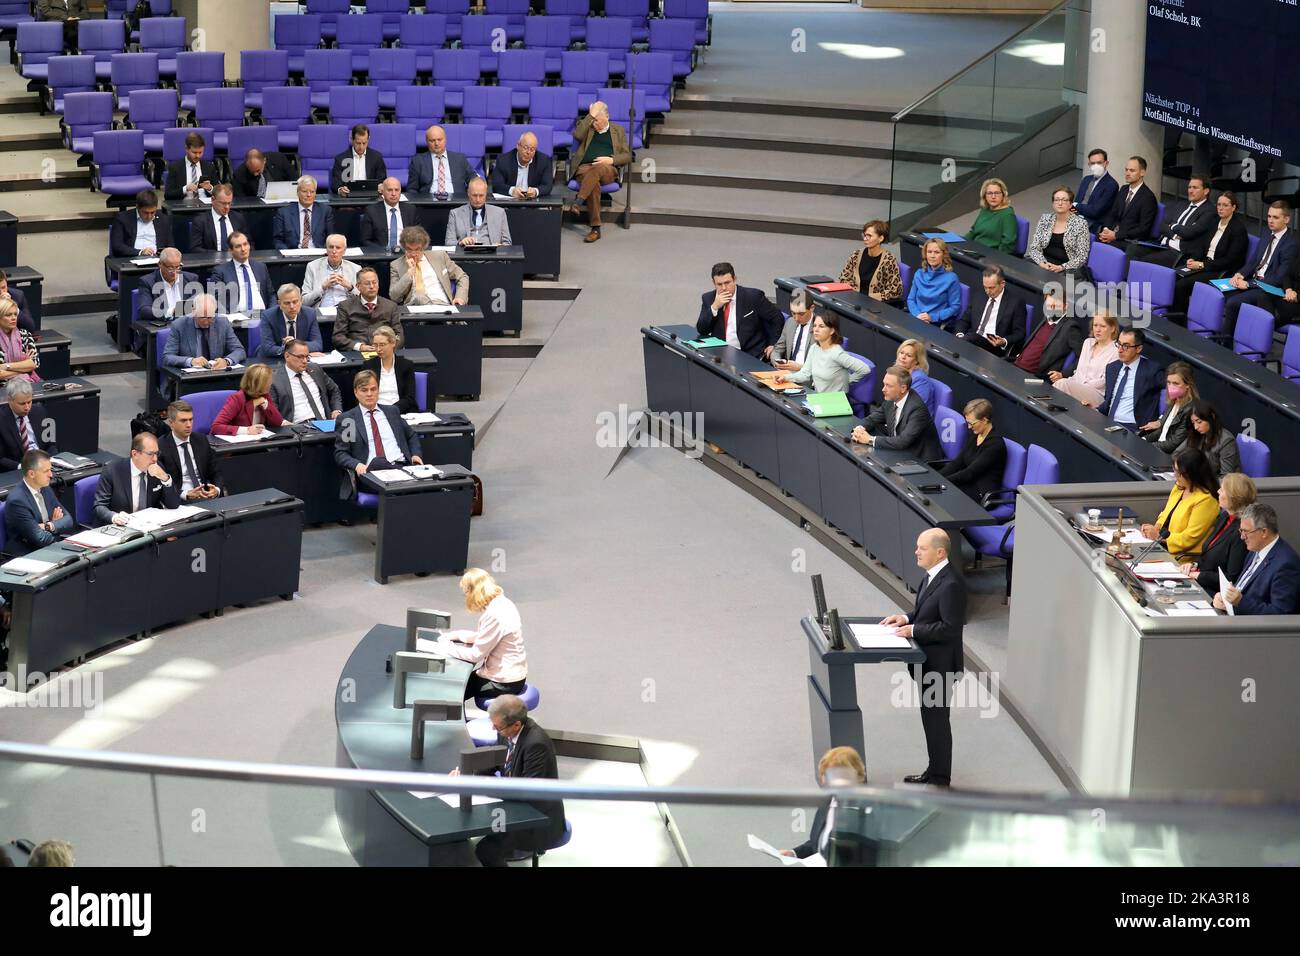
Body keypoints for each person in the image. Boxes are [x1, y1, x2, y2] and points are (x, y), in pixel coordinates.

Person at [881, 529, 966, 787]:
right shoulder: (932, 576)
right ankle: (934, 770)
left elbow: (950, 628)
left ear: (939, 552)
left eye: (922, 548)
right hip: (928, 663)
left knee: (937, 722)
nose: (916, 552)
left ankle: (940, 778)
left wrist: (914, 630)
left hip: (940, 666)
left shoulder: (951, 584)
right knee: (931, 720)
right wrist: (905, 618)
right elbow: (926, 611)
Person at [453, 694, 565, 867]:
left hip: (536, 818)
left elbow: (526, 791)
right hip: (513, 807)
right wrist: (467, 775)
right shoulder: (506, 731)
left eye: (497, 726)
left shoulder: (536, 744)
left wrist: (482, 787)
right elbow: (494, 763)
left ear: (517, 724)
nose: (493, 729)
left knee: (486, 851)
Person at [433, 569, 527, 702]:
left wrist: (446, 648)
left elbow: (475, 655)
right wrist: (457, 635)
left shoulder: (494, 615)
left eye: (466, 593)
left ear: (472, 592)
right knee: (456, 684)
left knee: (449, 691)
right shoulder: (504, 603)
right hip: (513, 676)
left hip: (503, 683)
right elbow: (489, 637)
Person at [333, 369, 423, 498]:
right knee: (378, 463)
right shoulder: (349, 420)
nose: (369, 394)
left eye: (373, 389)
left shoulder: (391, 411)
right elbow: (342, 453)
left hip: (401, 467)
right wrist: (357, 465)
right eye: (364, 390)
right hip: (372, 473)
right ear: (356, 392)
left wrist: (416, 454)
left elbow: (411, 435)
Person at [1221, 201, 1298, 333]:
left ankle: (1225, 342)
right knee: (1224, 293)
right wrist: (1240, 274)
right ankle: (1234, 336)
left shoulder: (1291, 245)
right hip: (1253, 280)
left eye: (1275, 217)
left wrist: (1248, 284)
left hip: (1267, 288)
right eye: (1269, 216)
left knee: (1233, 303)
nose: (1270, 221)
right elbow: (1254, 261)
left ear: (1286, 219)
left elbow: (1279, 278)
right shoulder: (1266, 232)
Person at [781, 746, 869, 861]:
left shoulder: (868, 810)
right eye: (826, 775)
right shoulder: (826, 805)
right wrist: (793, 853)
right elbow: (817, 844)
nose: (827, 780)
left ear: (856, 776)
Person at [1212, 503, 1300, 615]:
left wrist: (1240, 602)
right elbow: (1242, 588)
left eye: (1246, 531)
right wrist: (1224, 599)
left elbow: (1279, 613)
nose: (1242, 537)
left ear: (1264, 532)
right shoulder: (1255, 550)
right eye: (1241, 531)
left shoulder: (1286, 564)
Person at [1170, 191, 1248, 316]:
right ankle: (1172, 314)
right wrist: (1193, 258)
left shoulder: (1238, 229)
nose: (1221, 208)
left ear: (1233, 207)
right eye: (1219, 205)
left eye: (1225, 205)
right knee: (1174, 276)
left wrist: (1202, 265)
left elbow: (1230, 260)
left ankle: (1178, 320)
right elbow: (1203, 246)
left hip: (1219, 270)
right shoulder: (1214, 221)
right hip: (1204, 263)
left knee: (1181, 286)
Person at [1180, 472, 1256, 594]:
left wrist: (1198, 575)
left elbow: (1231, 578)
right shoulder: (1224, 517)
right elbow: (1209, 553)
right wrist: (1194, 565)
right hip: (1200, 582)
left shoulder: (1241, 532)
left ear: (1233, 497)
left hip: (1215, 593)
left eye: (1223, 490)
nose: (1218, 492)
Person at [565, 100, 631, 243]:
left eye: (597, 119)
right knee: (593, 183)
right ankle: (596, 228)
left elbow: (627, 156)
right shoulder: (588, 127)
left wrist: (611, 160)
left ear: (607, 116)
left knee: (599, 167)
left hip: (607, 169)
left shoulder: (618, 130)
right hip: (584, 168)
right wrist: (591, 116)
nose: (594, 123)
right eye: (593, 119)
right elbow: (577, 135)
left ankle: (579, 200)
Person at [1139, 448, 1220, 559]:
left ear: (1192, 474)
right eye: (1174, 471)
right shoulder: (1179, 487)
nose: (1175, 476)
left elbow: (1189, 539)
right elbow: (1165, 513)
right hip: (1161, 545)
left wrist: (1158, 537)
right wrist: (1155, 528)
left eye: (1178, 473)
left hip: (1180, 557)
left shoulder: (1206, 500)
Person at [851, 365, 943, 460]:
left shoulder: (917, 409)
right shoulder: (891, 398)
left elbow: (903, 441)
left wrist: (870, 439)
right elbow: (872, 419)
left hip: (920, 460)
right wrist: (859, 430)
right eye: (884, 384)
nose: (883, 389)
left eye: (889, 386)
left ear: (903, 388)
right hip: (900, 452)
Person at [694, 262, 783, 359]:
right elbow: (702, 330)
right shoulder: (709, 298)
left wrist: (774, 344)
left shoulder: (753, 297)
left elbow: (777, 318)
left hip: (751, 354)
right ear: (713, 283)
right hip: (722, 354)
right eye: (719, 284)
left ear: (734, 279)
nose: (724, 288)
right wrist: (714, 307)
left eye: (727, 283)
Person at [92, 431, 181, 526]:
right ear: (135, 454)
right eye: (150, 454)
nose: (155, 459)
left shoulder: (157, 468)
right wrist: (114, 517)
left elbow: (173, 504)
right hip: (120, 526)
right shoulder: (112, 470)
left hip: (149, 525)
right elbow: (99, 506)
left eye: (157, 453)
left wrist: (165, 478)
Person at [1129, 174, 1216, 268]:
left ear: (1206, 191)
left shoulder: (1209, 211)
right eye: (1189, 187)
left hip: (1180, 252)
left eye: (1195, 188)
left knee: (1146, 260)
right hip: (1162, 244)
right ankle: (1125, 277)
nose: (1190, 191)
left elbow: (1189, 233)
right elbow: (1162, 225)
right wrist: (1175, 235)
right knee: (1133, 249)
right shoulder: (1182, 204)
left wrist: (1173, 226)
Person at [773, 312, 870, 394]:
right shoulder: (814, 348)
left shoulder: (837, 353)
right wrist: (785, 377)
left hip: (836, 401)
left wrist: (845, 382)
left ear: (832, 331)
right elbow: (805, 374)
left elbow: (864, 369)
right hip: (819, 398)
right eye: (814, 326)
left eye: (821, 326)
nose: (816, 330)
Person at [5, 449, 76, 555]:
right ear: (31, 474)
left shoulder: (45, 488)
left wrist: (48, 525)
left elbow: (68, 520)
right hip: (28, 553)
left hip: (48, 546)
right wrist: (57, 527)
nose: (51, 475)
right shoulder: (17, 501)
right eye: (46, 471)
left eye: (50, 470)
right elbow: (41, 539)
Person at [940, 399, 1007, 503]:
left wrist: (943, 481)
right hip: (968, 483)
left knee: (943, 496)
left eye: (972, 423)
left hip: (982, 493)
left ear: (984, 420)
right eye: (968, 423)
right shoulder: (974, 435)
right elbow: (958, 463)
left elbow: (970, 473)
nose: (969, 427)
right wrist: (938, 476)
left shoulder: (995, 445)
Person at [156, 400, 223, 501]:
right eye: (183, 421)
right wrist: (185, 494)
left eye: (191, 420)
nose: (188, 425)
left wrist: (216, 490)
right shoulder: (160, 446)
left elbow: (216, 472)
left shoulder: (201, 440)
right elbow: (160, 484)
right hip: (179, 499)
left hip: (205, 494)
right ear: (171, 423)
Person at [1050, 310, 1119, 406]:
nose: (1097, 330)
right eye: (1095, 325)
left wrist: (1078, 385)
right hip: (1076, 385)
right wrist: (1074, 383)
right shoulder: (1088, 342)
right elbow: (1078, 371)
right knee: (1060, 385)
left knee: (1061, 384)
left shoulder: (1116, 351)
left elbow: (1104, 382)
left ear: (1112, 328)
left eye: (1102, 326)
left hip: (1096, 393)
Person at [389, 225, 470, 308]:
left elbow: (462, 276)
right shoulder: (396, 265)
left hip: (442, 305)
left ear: (424, 247)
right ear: (404, 248)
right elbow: (394, 297)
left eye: (417, 249)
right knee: (419, 297)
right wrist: (408, 274)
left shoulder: (440, 256)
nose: (413, 254)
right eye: (409, 250)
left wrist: (460, 298)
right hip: (415, 308)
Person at [953, 266, 1026, 356]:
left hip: (993, 348)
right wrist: (960, 336)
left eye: (991, 288)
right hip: (970, 341)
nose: (987, 291)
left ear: (1002, 284)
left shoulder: (1016, 302)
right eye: (985, 287)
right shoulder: (979, 295)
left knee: (971, 337)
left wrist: (1003, 341)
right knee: (970, 338)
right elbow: (964, 321)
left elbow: (1020, 333)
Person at [1098, 328, 1162, 431]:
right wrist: (1093, 408)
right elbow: (1109, 400)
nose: (1120, 350)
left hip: (1132, 427)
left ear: (1138, 349)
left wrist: (1161, 421)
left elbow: (1177, 393)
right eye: (1119, 344)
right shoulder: (1112, 368)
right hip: (1107, 421)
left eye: (1126, 346)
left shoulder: (1152, 370)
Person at [161, 294, 245, 370]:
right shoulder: (179, 325)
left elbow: (239, 350)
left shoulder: (222, 323)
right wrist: (191, 361)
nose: (206, 322)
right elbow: (167, 357)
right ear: (194, 312)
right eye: (202, 318)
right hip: (189, 378)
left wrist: (226, 361)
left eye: (210, 318)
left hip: (217, 374)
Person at [271, 338, 343, 423]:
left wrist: (336, 410)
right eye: (300, 357)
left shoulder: (315, 369)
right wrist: (283, 422)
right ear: (287, 356)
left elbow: (334, 390)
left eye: (307, 357)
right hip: (297, 427)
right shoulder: (274, 380)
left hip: (325, 423)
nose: (305, 361)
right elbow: (272, 411)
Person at [1012, 292, 1081, 378]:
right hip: (1015, 364)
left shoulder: (1070, 327)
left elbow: (1084, 357)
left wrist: (1063, 374)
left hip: (1034, 375)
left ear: (1065, 306)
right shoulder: (1046, 318)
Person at [333, 267, 404, 350]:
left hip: (384, 352)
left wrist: (387, 347)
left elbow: (399, 336)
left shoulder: (390, 306)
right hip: (357, 353)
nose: (372, 286)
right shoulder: (345, 306)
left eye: (374, 283)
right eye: (367, 283)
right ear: (358, 286)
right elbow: (338, 337)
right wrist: (359, 347)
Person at [1025, 185, 1090, 274]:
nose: (1060, 203)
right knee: (1021, 272)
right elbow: (1034, 247)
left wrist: (1061, 267)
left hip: (1067, 268)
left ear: (1070, 204)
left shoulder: (1081, 224)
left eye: (1064, 200)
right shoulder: (1045, 219)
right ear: (1053, 203)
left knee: (1065, 280)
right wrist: (1042, 263)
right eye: (1057, 200)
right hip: (1044, 262)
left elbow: (1082, 257)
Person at [207, 231, 273, 316]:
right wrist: (229, 317)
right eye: (238, 246)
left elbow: (271, 295)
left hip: (262, 315)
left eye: (245, 244)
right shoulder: (220, 271)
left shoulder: (261, 267)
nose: (243, 249)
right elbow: (214, 300)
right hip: (236, 317)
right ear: (230, 251)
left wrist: (271, 313)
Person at [1097, 155, 1157, 247]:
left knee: (1103, 247)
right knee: (1095, 241)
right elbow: (1112, 214)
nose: (1127, 173)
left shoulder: (1148, 197)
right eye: (1126, 170)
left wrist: (1116, 235)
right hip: (1113, 233)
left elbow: (1143, 229)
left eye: (1132, 170)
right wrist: (1106, 230)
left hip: (1128, 240)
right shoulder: (1124, 189)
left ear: (1142, 172)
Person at [837, 219, 903, 302]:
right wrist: (854, 294)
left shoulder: (888, 260)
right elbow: (844, 278)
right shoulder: (856, 255)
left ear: (880, 238)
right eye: (864, 235)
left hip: (874, 303)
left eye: (869, 236)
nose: (865, 238)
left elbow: (896, 290)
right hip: (854, 299)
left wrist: (872, 297)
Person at [211, 364, 285, 436]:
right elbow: (216, 427)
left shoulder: (265, 395)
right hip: (239, 442)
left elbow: (278, 422)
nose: (270, 383)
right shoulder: (237, 398)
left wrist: (266, 405)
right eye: (268, 381)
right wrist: (247, 430)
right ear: (258, 383)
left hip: (260, 440)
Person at [1138, 361, 1196, 453]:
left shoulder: (1191, 410)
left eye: (1176, 383)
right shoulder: (1173, 401)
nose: (1170, 387)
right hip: (1158, 448)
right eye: (1169, 382)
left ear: (1188, 385)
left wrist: (1147, 446)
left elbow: (1173, 443)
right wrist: (1144, 439)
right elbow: (1163, 430)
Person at [0, 379, 57, 471]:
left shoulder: (40, 411)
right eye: (22, 403)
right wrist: (22, 467)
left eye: (29, 402)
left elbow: (51, 444)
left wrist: (49, 461)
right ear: (10, 400)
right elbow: (1, 458)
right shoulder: (2, 420)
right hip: (18, 469)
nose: (27, 407)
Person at [906, 238, 961, 329]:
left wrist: (932, 317)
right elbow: (911, 299)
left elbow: (955, 307)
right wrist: (918, 315)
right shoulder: (919, 273)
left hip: (935, 323)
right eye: (929, 252)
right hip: (916, 317)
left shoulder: (951, 278)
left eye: (936, 252)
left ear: (944, 255)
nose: (932, 256)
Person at [1176, 400, 1241, 478]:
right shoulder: (1198, 434)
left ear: (1212, 417)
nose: (1196, 427)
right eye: (1193, 423)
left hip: (1217, 482)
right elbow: (1177, 453)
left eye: (1199, 422)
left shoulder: (1226, 441)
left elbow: (1226, 477)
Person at [256, 283, 322, 360]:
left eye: (295, 302)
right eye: (287, 303)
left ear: (301, 301)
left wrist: (294, 343)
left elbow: (317, 344)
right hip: (275, 360)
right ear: (279, 304)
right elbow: (267, 348)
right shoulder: (268, 316)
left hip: (299, 360)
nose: (292, 306)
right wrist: (291, 348)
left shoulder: (310, 314)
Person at [408, 125, 475, 199]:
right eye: (432, 141)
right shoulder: (417, 161)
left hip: (457, 201)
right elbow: (412, 189)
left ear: (445, 139)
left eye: (439, 140)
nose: (436, 143)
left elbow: (474, 180)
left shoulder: (460, 159)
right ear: (427, 142)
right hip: (428, 202)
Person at [136, 247, 199, 325]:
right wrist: (171, 312)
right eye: (170, 268)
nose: (175, 272)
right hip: (165, 325)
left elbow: (199, 301)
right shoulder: (147, 281)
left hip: (187, 324)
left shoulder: (191, 278)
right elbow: (144, 310)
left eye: (178, 267)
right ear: (160, 264)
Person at [362, 325, 418, 413]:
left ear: (393, 343)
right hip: (376, 412)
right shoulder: (369, 366)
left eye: (382, 345)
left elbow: (409, 398)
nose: (378, 349)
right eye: (375, 345)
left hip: (401, 411)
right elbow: (364, 395)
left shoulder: (406, 365)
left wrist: (391, 410)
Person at [446, 177, 512, 247]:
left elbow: (507, 243)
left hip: (492, 253)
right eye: (474, 195)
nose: (478, 199)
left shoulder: (499, 213)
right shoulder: (455, 214)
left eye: (481, 195)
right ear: (468, 193)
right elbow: (448, 242)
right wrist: (460, 243)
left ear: (486, 194)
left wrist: (500, 247)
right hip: (465, 252)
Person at [108, 189, 174, 258]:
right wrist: (140, 252)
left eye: (152, 212)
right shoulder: (122, 218)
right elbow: (117, 246)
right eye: (145, 213)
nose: (149, 216)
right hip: (131, 257)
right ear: (137, 207)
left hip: (157, 259)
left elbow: (170, 246)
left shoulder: (163, 219)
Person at [272, 176, 333, 250]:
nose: (309, 195)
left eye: (312, 192)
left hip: (318, 253)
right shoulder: (283, 213)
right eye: (304, 191)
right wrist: (287, 252)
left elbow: (331, 238)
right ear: (297, 193)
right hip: (293, 253)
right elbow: (278, 240)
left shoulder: (325, 211)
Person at [301, 234, 361, 309]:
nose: (334, 251)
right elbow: (304, 301)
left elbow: (364, 299)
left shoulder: (355, 269)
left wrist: (350, 287)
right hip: (322, 311)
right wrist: (322, 288)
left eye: (338, 248)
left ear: (344, 251)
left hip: (347, 311)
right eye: (331, 247)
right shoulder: (313, 267)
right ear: (326, 249)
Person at [490, 130, 553, 199]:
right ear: (518, 146)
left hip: (533, 202)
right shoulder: (503, 160)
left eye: (532, 149)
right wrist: (512, 191)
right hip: (511, 202)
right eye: (525, 148)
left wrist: (535, 191)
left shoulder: (544, 161)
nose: (528, 152)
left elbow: (547, 186)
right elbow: (497, 185)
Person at [189, 184, 250, 254]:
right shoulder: (200, 221)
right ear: (212, 200)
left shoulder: (238, 218)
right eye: (223, 203)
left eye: (229, 203)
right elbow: (195, 248)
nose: (227, 207)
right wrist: (218, 255)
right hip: (212, 259)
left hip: (236, 258)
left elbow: (249, 243)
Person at [360, 176, 416, 251]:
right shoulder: (371, 211)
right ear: (382, 192)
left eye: (397, 190)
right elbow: (365, 241)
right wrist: (383, 251)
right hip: (381, 254)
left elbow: (418, 237)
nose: (393, 194)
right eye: (390, 190)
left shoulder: (410, 210)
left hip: (405, 253)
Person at [331, 123, 387, 196]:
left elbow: (382, 179)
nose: (361, 147)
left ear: (368, 139)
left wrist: (381, 186)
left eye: (364, 143)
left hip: (371, 197)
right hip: (348, 197)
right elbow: (335, 184)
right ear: (352, 139)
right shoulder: (340, 159)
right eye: (358, 143)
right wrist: (340, 190)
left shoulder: (377, 157)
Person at [964, 177, 1018, 252]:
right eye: (989, 193)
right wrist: (960, 242)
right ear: (984, 196)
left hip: (990, 254)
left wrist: (996, 257)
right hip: (975, 249)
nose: (993, 197)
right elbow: (973, 232)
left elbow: (1008, 244)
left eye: (997, 193)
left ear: (1003, 195)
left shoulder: (1008, 214)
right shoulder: (985, 209)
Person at [163, 131, 218, 201]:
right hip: (184, 206)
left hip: (205, 205)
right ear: (186, 149)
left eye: (200, 152)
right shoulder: (175, 168)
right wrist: (185, 189)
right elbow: (167, 195)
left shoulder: (209, 167)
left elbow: (218, 193)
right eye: (194, 152)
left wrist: (210, 188)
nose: (198, 156)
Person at [1073, 147, 1119, 233]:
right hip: (1076, 219)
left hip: (1093, 225)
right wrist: (1075, 211)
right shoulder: (1086, 179)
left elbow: (1095, 211)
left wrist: (1076, 205)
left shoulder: (1111, 184)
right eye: (1093, 163)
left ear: (1106, 163)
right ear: (1089, 165)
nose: (1096, 166)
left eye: (1099, 163)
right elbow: (1076, 203)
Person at [767, 295, 815, 370]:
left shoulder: (822, 327)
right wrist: (777, 363)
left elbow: (825, 367)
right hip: (786, 372)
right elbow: (777, 349)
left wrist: (800, 368)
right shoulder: (790, 322)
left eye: (801, 314)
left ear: (812, 308)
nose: (797, 318)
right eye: (793, 313)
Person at [0, 297, 40, 384]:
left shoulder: (24, 334)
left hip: (27, 382)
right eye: (8, 315)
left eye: (15, 314)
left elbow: (34, 363)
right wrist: (24, 368)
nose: (13, 318)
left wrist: (6, 366)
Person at [894, 339, 935, 413]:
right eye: (902, 353)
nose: (903, 357)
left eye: (908, 355)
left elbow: (912, 409)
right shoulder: (897, 373)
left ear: (917, 361)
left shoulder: (920, 380)